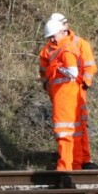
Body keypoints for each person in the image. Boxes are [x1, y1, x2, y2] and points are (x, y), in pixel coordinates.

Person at [47, 13, 98, 169]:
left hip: (78, 90)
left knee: (79, 126)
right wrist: (47, 84)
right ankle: (77, 162)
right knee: (74, 128)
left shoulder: (77, 44)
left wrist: (85, 83)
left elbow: (89, 65)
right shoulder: (52, 47)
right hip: (64, 93)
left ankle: (83, 160)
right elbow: (44, 67)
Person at [41, 18, 83, 170]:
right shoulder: (61, 47)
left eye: (54, 36)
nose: (52, 39)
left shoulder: (65, 49)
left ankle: (65, 167)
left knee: (63, 131)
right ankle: (76, 164)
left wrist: (57, 69)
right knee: (74, 131)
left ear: (61, 32)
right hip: (67, 95)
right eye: (49, 37)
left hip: (65, 96)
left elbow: (73, 72)